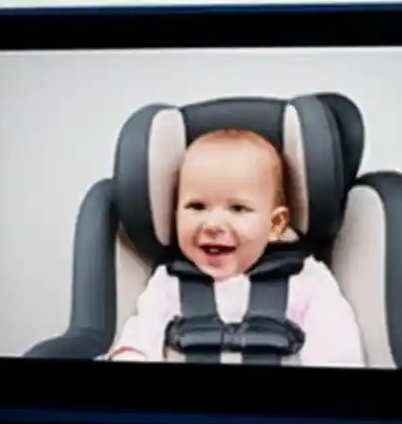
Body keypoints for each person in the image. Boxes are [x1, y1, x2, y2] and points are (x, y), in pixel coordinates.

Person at [106, 127, 366, 367]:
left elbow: (338, 354)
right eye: (196, 207)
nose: (213, 224)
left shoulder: (308, 282)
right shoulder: (167, 283)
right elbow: (138, 340)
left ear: (275, 224)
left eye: (238, 209)